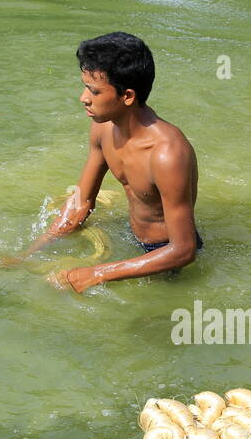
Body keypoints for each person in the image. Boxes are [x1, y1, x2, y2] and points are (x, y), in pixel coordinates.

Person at [14, 32, 201, 293]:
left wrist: (92, 274)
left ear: (127, 96)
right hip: (132, 233)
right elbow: (81, 202)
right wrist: (29, 253)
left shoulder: (167, 154)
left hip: (164, 258)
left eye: (94, 91)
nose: (83, 98)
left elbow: (184, 250)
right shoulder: (102, 128)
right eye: (85, 86)